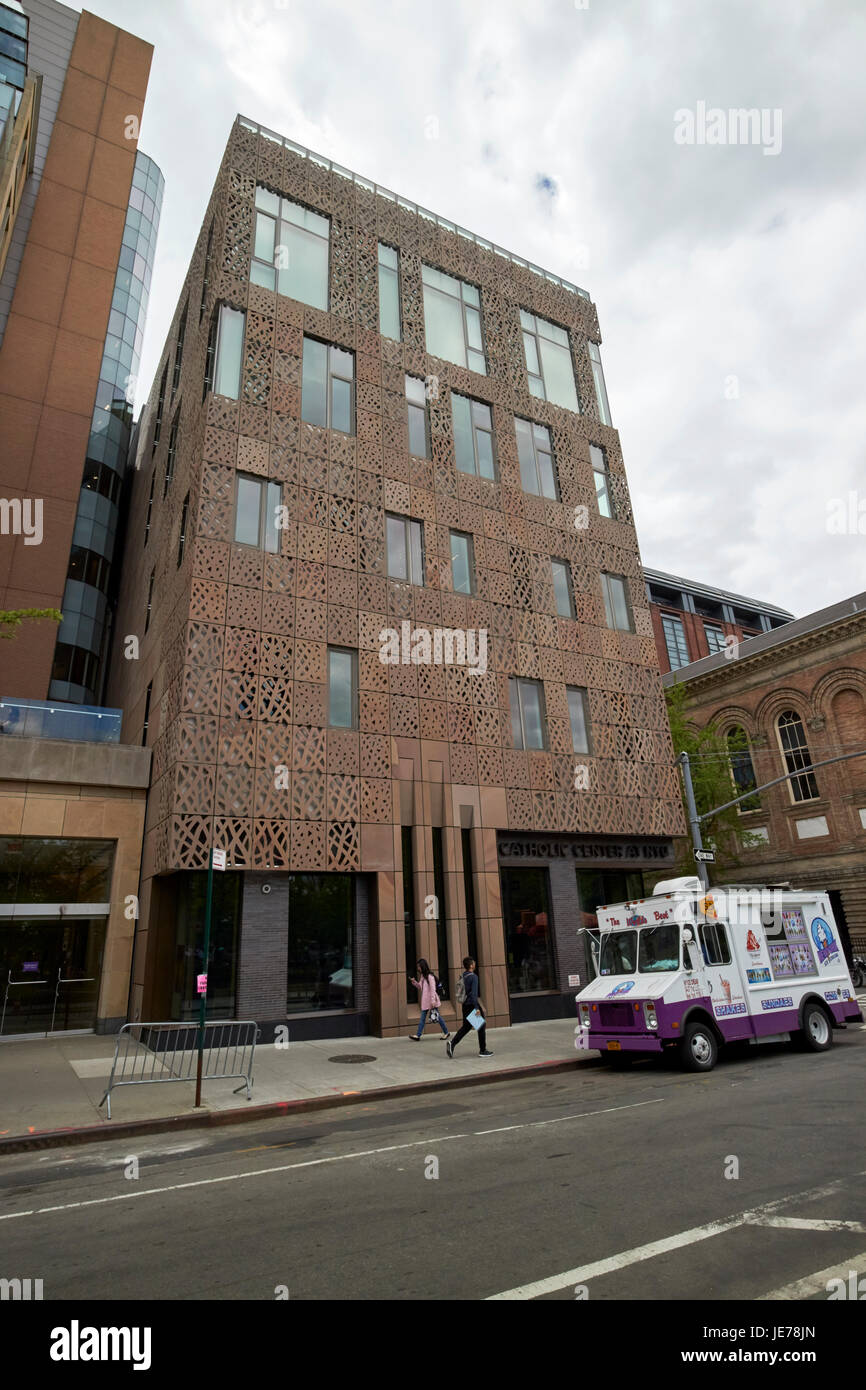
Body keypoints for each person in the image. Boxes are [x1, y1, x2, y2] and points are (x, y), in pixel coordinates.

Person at [446, 956, 493, 1058]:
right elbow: (474, 994)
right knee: (481, 1026)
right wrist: (477, 1008)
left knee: (466, 1027)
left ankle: (452, 1044)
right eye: (474, 963)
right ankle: (483, 1050)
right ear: (471, 965)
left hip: (465, 1005)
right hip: (472, 1005)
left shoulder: (463, 975)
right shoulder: (473, 977)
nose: (475, 964)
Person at [408, 959, 450, 1041]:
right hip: (425, 1001)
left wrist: (433, 1001)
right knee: (423, 1018)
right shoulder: (423, 976)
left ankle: (446, 1032)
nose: (418, 968)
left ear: (422, 967)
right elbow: (420, 987)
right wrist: (414, 982)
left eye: (419, 967)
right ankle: (418, 1035)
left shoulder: (430, 976)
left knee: (437, 1017)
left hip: (431, 1001)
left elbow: (433, 989)